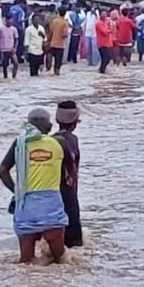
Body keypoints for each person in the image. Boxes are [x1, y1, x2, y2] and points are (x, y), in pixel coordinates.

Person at [0, 107, 71, 264]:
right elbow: (70, 174)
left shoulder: (20, 143)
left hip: (26, 206)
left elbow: (3, 171)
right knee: (61, 261)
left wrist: (18, 191)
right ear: (49, 127)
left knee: (26, 263)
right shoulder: (59, 143)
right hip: (51, 207)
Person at [53, 100, 85, 249]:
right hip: (70, 196)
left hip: (52, 197)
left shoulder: (51, 140)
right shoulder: (73, 140)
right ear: (75, 122)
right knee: (75, 247)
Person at [25, 12, 49, 77]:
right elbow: (26, 42)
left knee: (39, 70)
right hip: (32, 51)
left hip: (40, 51)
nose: (37, 21)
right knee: (33, 70)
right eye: (35, 19)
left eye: (38, 19)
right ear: (32, 20)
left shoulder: (41, 28)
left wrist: (43, 35)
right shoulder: (28, 29)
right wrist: (26, 53)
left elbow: (45, 39)